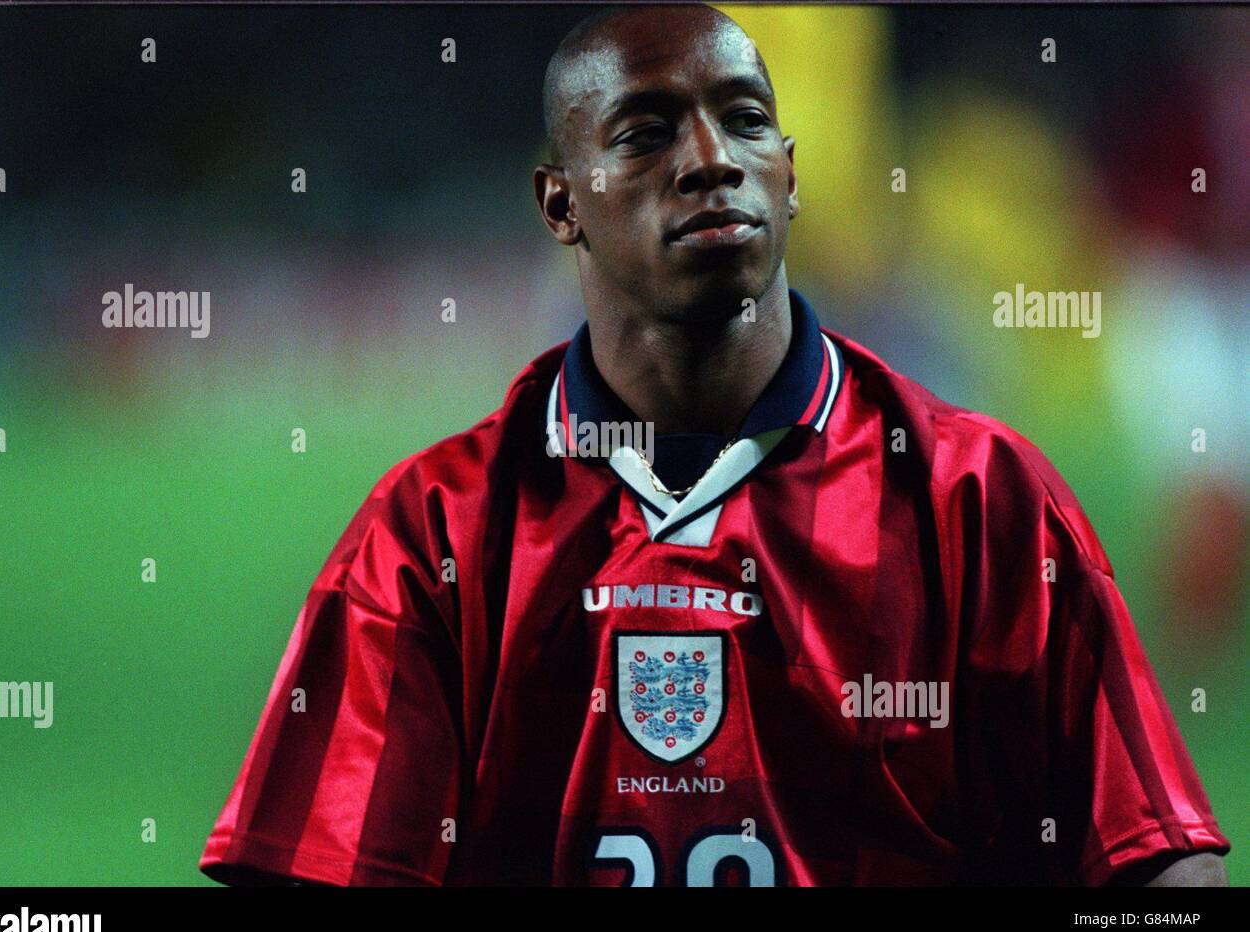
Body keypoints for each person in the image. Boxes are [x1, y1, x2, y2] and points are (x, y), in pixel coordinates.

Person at [200, 3, 1230, 886]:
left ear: (788, 176)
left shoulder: (979, 497)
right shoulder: (433, 533)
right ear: (560, 202)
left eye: (744, 124)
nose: (708, 161)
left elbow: (1154, 861)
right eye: (646, 133)